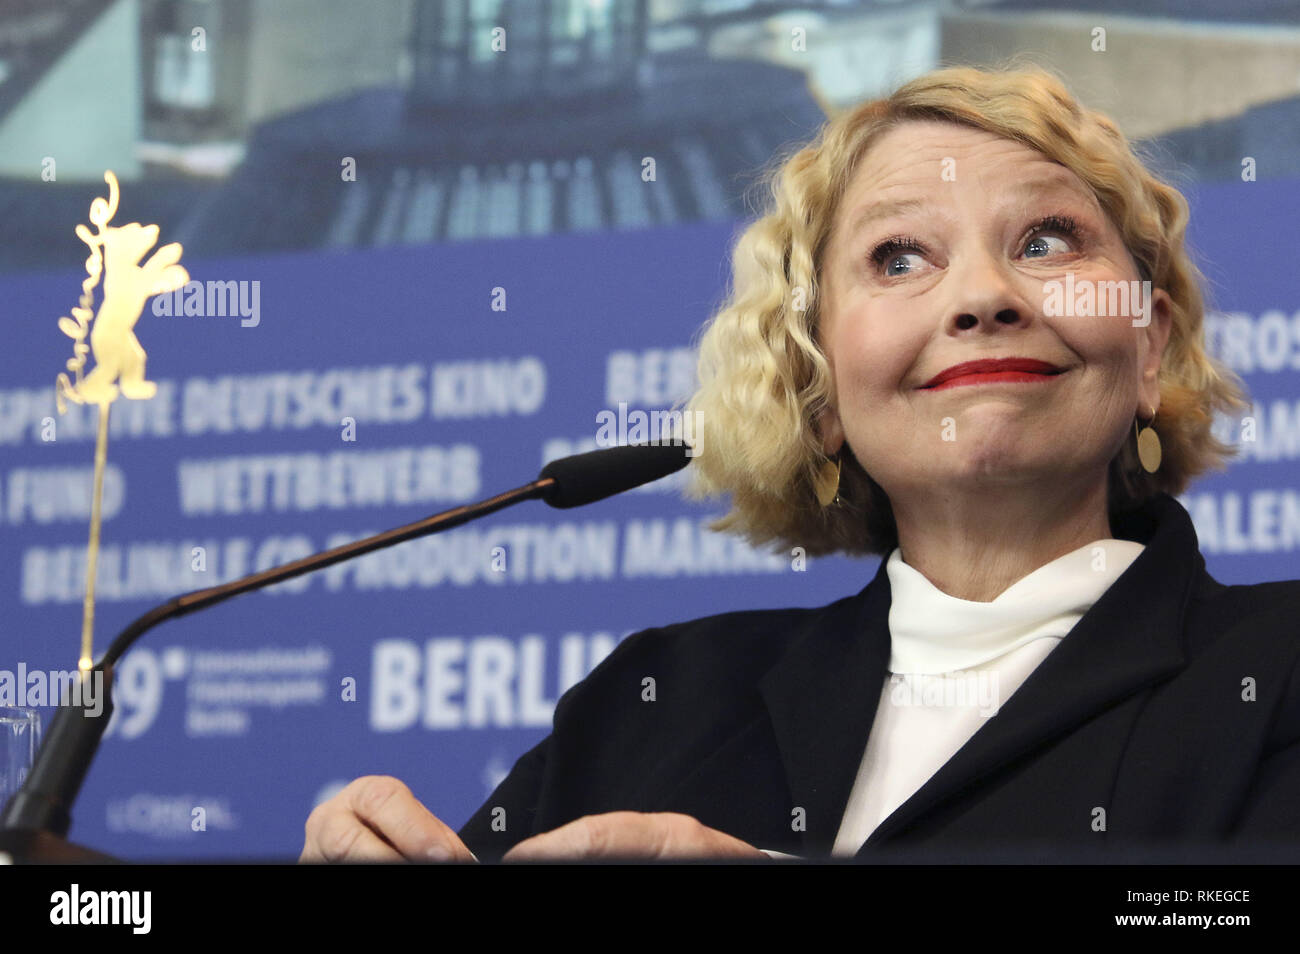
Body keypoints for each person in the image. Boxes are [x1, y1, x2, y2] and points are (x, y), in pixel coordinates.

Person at [300, 63, 1300, 863]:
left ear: (1151, 349)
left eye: (1046, 240)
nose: (983, 296)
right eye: (899, 257)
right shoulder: (653, 702)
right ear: (818, 393)